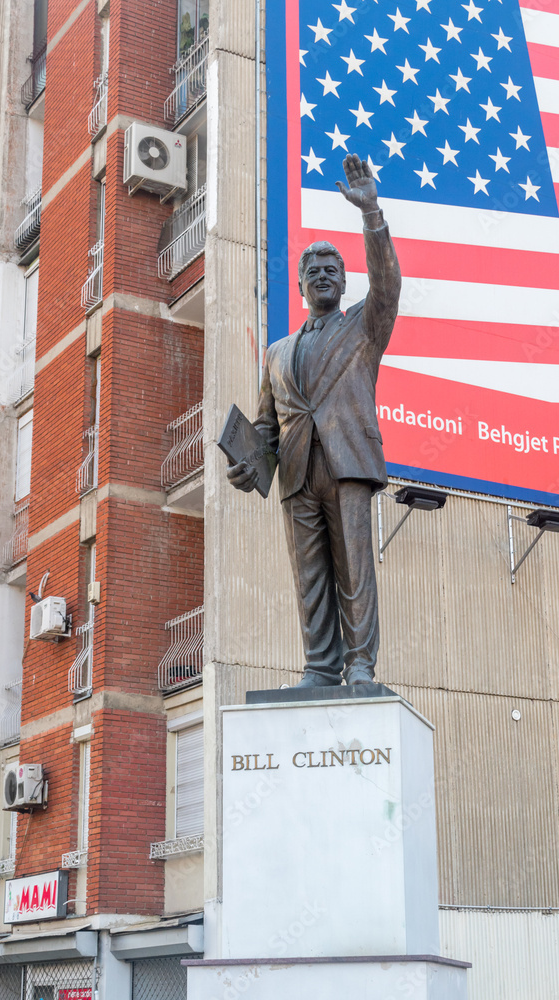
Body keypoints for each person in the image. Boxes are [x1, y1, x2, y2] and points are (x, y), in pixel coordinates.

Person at [227, 154, 401, 687]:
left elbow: (389, 284)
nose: (323, 276)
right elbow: (266, 426)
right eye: (313, 272)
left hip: (347, 463)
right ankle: (320, 667)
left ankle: (361, 664)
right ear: (301, 285)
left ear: (344, 285)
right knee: (310, 577)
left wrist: (371, 213)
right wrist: (249, 462)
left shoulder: (364, 330)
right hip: (297, 474)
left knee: (354, 570)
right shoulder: (278, 353)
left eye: (332, 271)